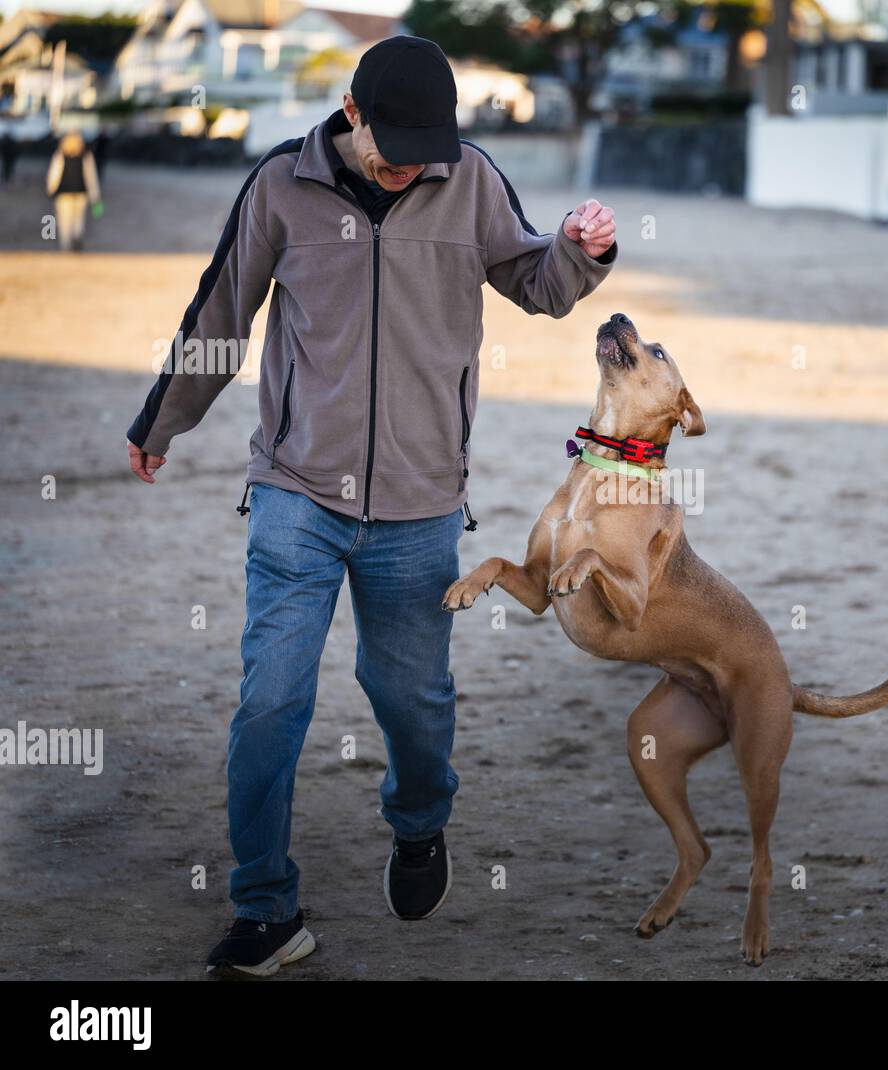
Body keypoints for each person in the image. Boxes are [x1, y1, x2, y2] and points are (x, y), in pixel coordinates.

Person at [124, 36, 618, 978]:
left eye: (428, 144)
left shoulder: (469, 178)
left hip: (422, 501)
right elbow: (221, 312)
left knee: (413, 706)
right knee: (270, 699)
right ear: (351, 111)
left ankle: (420, 824)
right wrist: (162, 421)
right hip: (295, 491)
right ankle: (266, 909)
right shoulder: (280, 184)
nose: (411, 161)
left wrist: (581, 250)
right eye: (394, 140)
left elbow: (537, 284)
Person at [46, 131, 101, 251]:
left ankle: (66, 245)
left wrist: (50, 189)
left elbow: (54, 174)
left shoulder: (60, 155)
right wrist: (95, 195)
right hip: (81, 192)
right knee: (78, 219)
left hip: (64, 193)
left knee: (64, 220)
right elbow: (91, 177)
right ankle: (77, 235)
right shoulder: (86, 156)